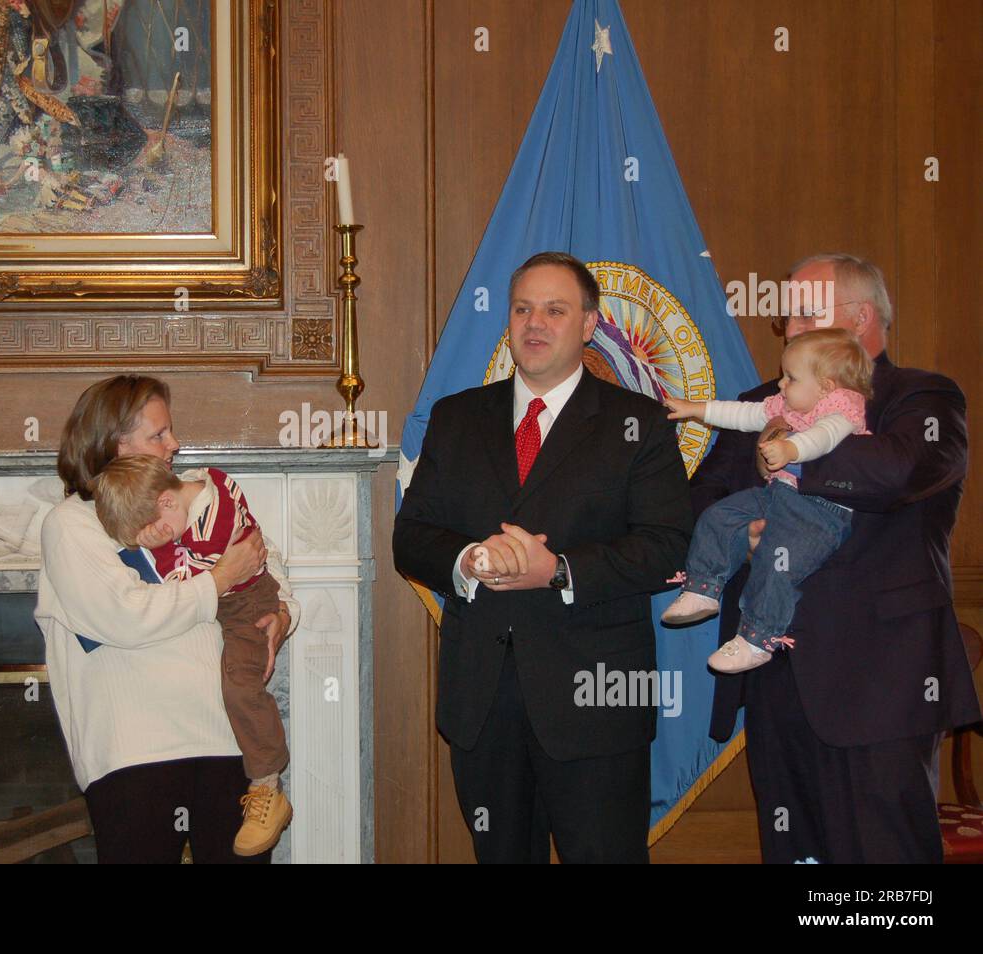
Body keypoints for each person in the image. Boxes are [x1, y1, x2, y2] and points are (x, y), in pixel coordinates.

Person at [393, 252, 692, 863]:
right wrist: (471, 559)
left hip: (598, 698)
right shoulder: (456, 418)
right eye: (523, 308)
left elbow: (667, 547)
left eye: (556, 310)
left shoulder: (638, 423)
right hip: (484, 700)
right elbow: (411, 537)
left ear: (589, 324)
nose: (535, 323)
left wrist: (555, 571)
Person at [696, 253, 980, 863]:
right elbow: (700, 502)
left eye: (804, 315)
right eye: (786, 319)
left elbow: (898, 470)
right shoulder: (760, 401)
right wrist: (743, 529)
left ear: (860, 318)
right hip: (775, 677)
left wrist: (790, 450)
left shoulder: (922, 397)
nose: (790, 330)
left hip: (881, 684)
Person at [34, 375, 300, 863]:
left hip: (225, 740)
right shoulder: (72, 523)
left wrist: (282, 612)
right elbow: (123, 616)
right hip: (135, 753)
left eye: (170, 431)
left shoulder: (192, 499)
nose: (174, 444)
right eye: (158, 434)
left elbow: (263, 558)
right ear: (115, 443)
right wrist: (217, 581)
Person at [91, 454, 293, 856]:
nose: (155, 538)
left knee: (240, 686)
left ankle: (267, 783)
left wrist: (152, 556)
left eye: (151, 530)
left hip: (247, 606)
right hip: (231, 601)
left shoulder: (211, 519)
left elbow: (188, 581)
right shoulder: (190, 500)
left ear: (165, 502)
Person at [662, 329, 873, 672]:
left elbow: (825, 435)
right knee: (720, 515)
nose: (780, 385)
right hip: (779, 495)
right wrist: (695, 409)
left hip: (820, 511)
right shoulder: (787, 405)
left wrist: (791, 447)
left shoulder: (844, 408)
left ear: (826, 387)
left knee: (779, 563)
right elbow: (742, 414)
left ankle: (758, 637)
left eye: (790, 377)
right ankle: (704, 586)